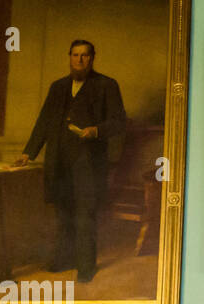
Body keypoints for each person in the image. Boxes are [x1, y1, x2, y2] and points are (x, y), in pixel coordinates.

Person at [14, 39, 125, 283]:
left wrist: (95, 130)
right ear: (69, 57)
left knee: (85, 213)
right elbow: (43, 122)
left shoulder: (107, 85)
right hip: (58, 160)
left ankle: (86, 266)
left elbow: (119, 122)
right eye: (75, 55)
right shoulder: (58, 87)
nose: (79, 60)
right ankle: (64, 259)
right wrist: (28, 153)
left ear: (92, 58)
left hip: (88, 162)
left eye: (85, 55)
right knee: (63, 212)